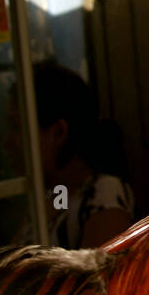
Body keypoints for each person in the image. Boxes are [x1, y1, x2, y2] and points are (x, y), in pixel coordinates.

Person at [29, 62, 133, 250]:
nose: (8, 142)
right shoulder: (54, 193)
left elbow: (98, 276)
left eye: (17, 128)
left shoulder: (102, 194)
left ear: (58, 133)